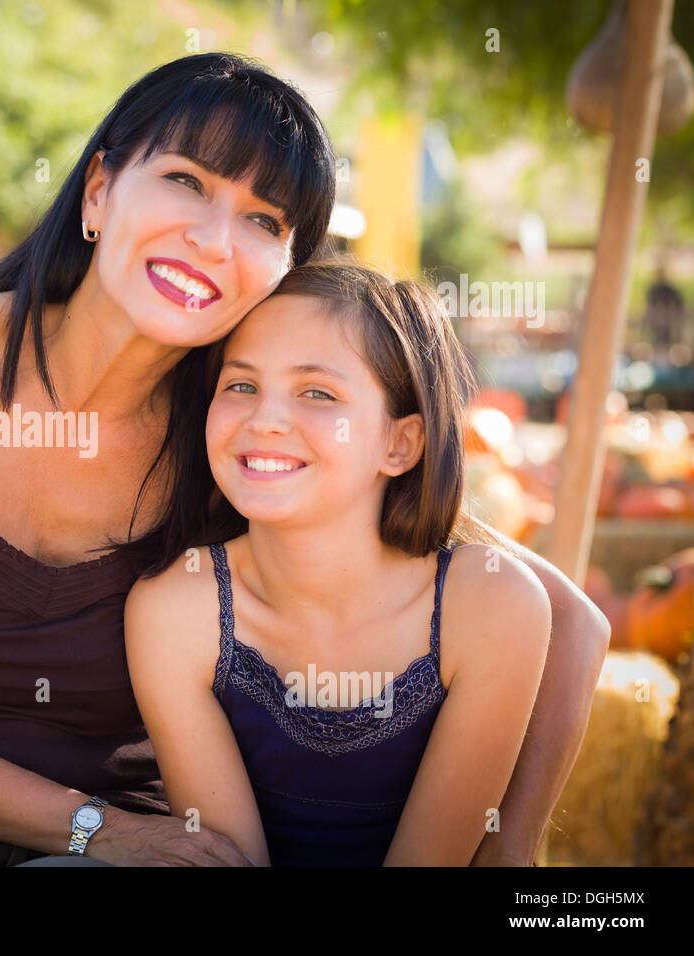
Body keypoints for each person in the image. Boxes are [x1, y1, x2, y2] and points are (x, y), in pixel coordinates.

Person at [0, 52, 608, 868]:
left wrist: (511, 853)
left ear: (282, 272)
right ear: (100, 192)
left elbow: (566, 621)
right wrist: (94, 830)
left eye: (263, 221)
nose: (214, 239)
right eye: (186, 181)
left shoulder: (242, 434)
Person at [125, 262, 551, 865]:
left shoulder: (490, 605)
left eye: (317, 393)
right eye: (240, 385)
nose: (264, 419)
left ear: (399, 443)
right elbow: (227, 859)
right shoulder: (177, 607)